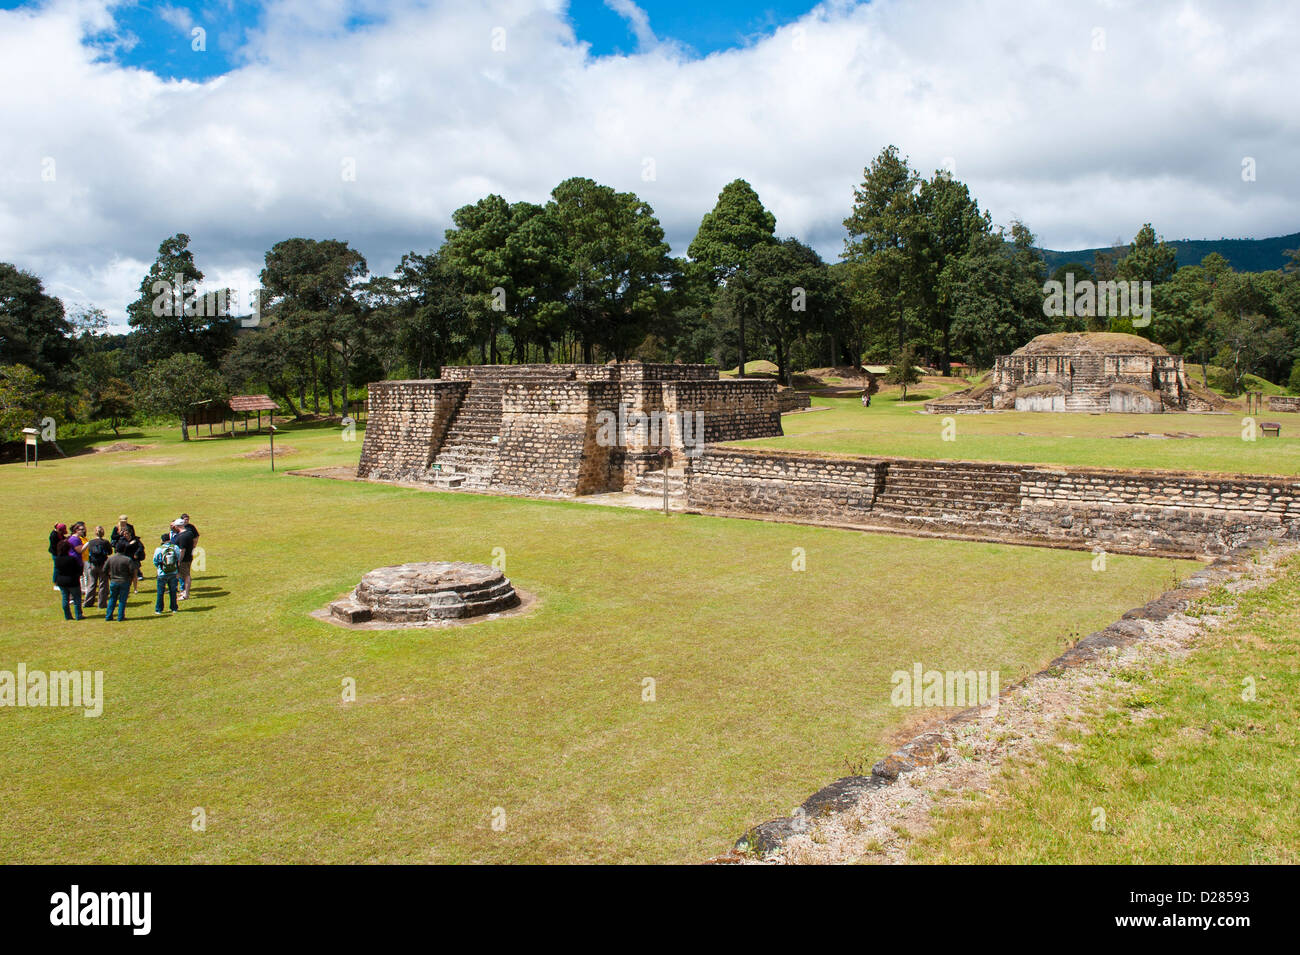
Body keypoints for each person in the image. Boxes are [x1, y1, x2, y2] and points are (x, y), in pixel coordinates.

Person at [53, 540, 85, 620]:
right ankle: (78, 615)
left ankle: (67, 616)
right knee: (77, 598)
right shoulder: (72, 559)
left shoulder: (57, 559)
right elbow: (78, 569)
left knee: (65, 598)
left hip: (62, 581)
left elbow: (57, 570)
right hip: (72, 581)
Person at [153, 533, 183, 615]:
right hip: (173, 572)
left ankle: (159, 609)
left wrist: (159, 567)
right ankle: (174, 608)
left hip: (162, 573)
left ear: (162, 540)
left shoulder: (159, 549)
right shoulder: (175, 547)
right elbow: (178, 557)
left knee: (160, 592)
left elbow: (155, 560)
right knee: (173, 591)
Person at [103, 547, 135, 622]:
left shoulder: (110, 559)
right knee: (122, 600)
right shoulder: (127, 559)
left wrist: (109, 577)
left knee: (112, 599)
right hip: (124, 581)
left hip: (114, 581)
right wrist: (130, 580)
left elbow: (104, 570)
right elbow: (132, 571)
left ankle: (108, 616)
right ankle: (120, 616)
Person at [171, 515, 199, 600]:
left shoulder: (182, 536)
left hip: (184, 559)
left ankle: (186, 594)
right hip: (189, 557)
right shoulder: (189, 533)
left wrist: (179, 560)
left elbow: (181, 550)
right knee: (184, 575)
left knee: (186, 576)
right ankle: (184, 591)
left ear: (177, 526)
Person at [84, 526, 113, 608]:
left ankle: (88, 602)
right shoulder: (105, 542)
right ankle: (102, 603)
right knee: (103, 584)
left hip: (93, 565)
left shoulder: (91, 542)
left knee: (92, 584)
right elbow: (110, 552)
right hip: (103, 564)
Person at [48, 522, 68, 591]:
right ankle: (55, 584)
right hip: (56, 554)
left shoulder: (59, 534)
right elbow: (55, 547)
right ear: (59, 530)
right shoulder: (53, 536)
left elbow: (62, 537)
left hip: (60, 554)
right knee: (57, 569)